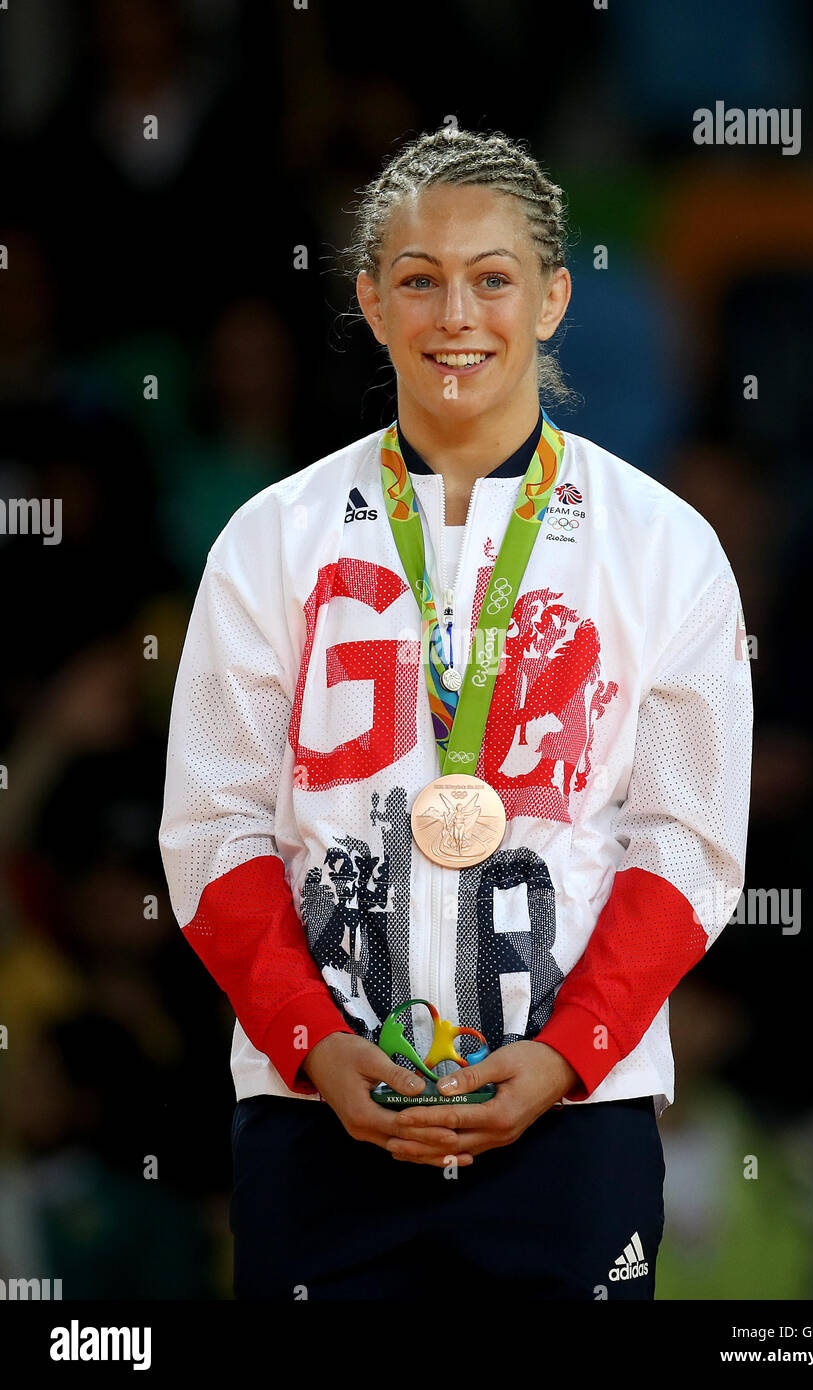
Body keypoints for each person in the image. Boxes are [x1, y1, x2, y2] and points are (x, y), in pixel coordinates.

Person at [158, 126, 753, 1300]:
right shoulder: (271, 541)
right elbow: (212, 831)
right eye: (419, 280)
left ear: (551, 298)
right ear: (372, 303)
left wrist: (566, 1055)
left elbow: (684, 844)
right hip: (314, 1113)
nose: (455, 315)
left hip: (573, 1124)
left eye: (491, 278)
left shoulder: (662, 547)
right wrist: (310, 1043)